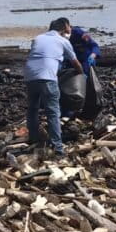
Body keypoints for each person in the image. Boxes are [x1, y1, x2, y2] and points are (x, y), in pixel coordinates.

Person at [24, 18, 84, 156]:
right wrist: (82, 76)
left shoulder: (38, 38)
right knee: (53, 112)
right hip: (47, 78)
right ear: (64, 28)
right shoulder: (63, 41)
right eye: (69, 26)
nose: (71, 29)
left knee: (33, 109)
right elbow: (75, 63)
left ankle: (34, 139)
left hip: (30, 76)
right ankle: (57, 147)